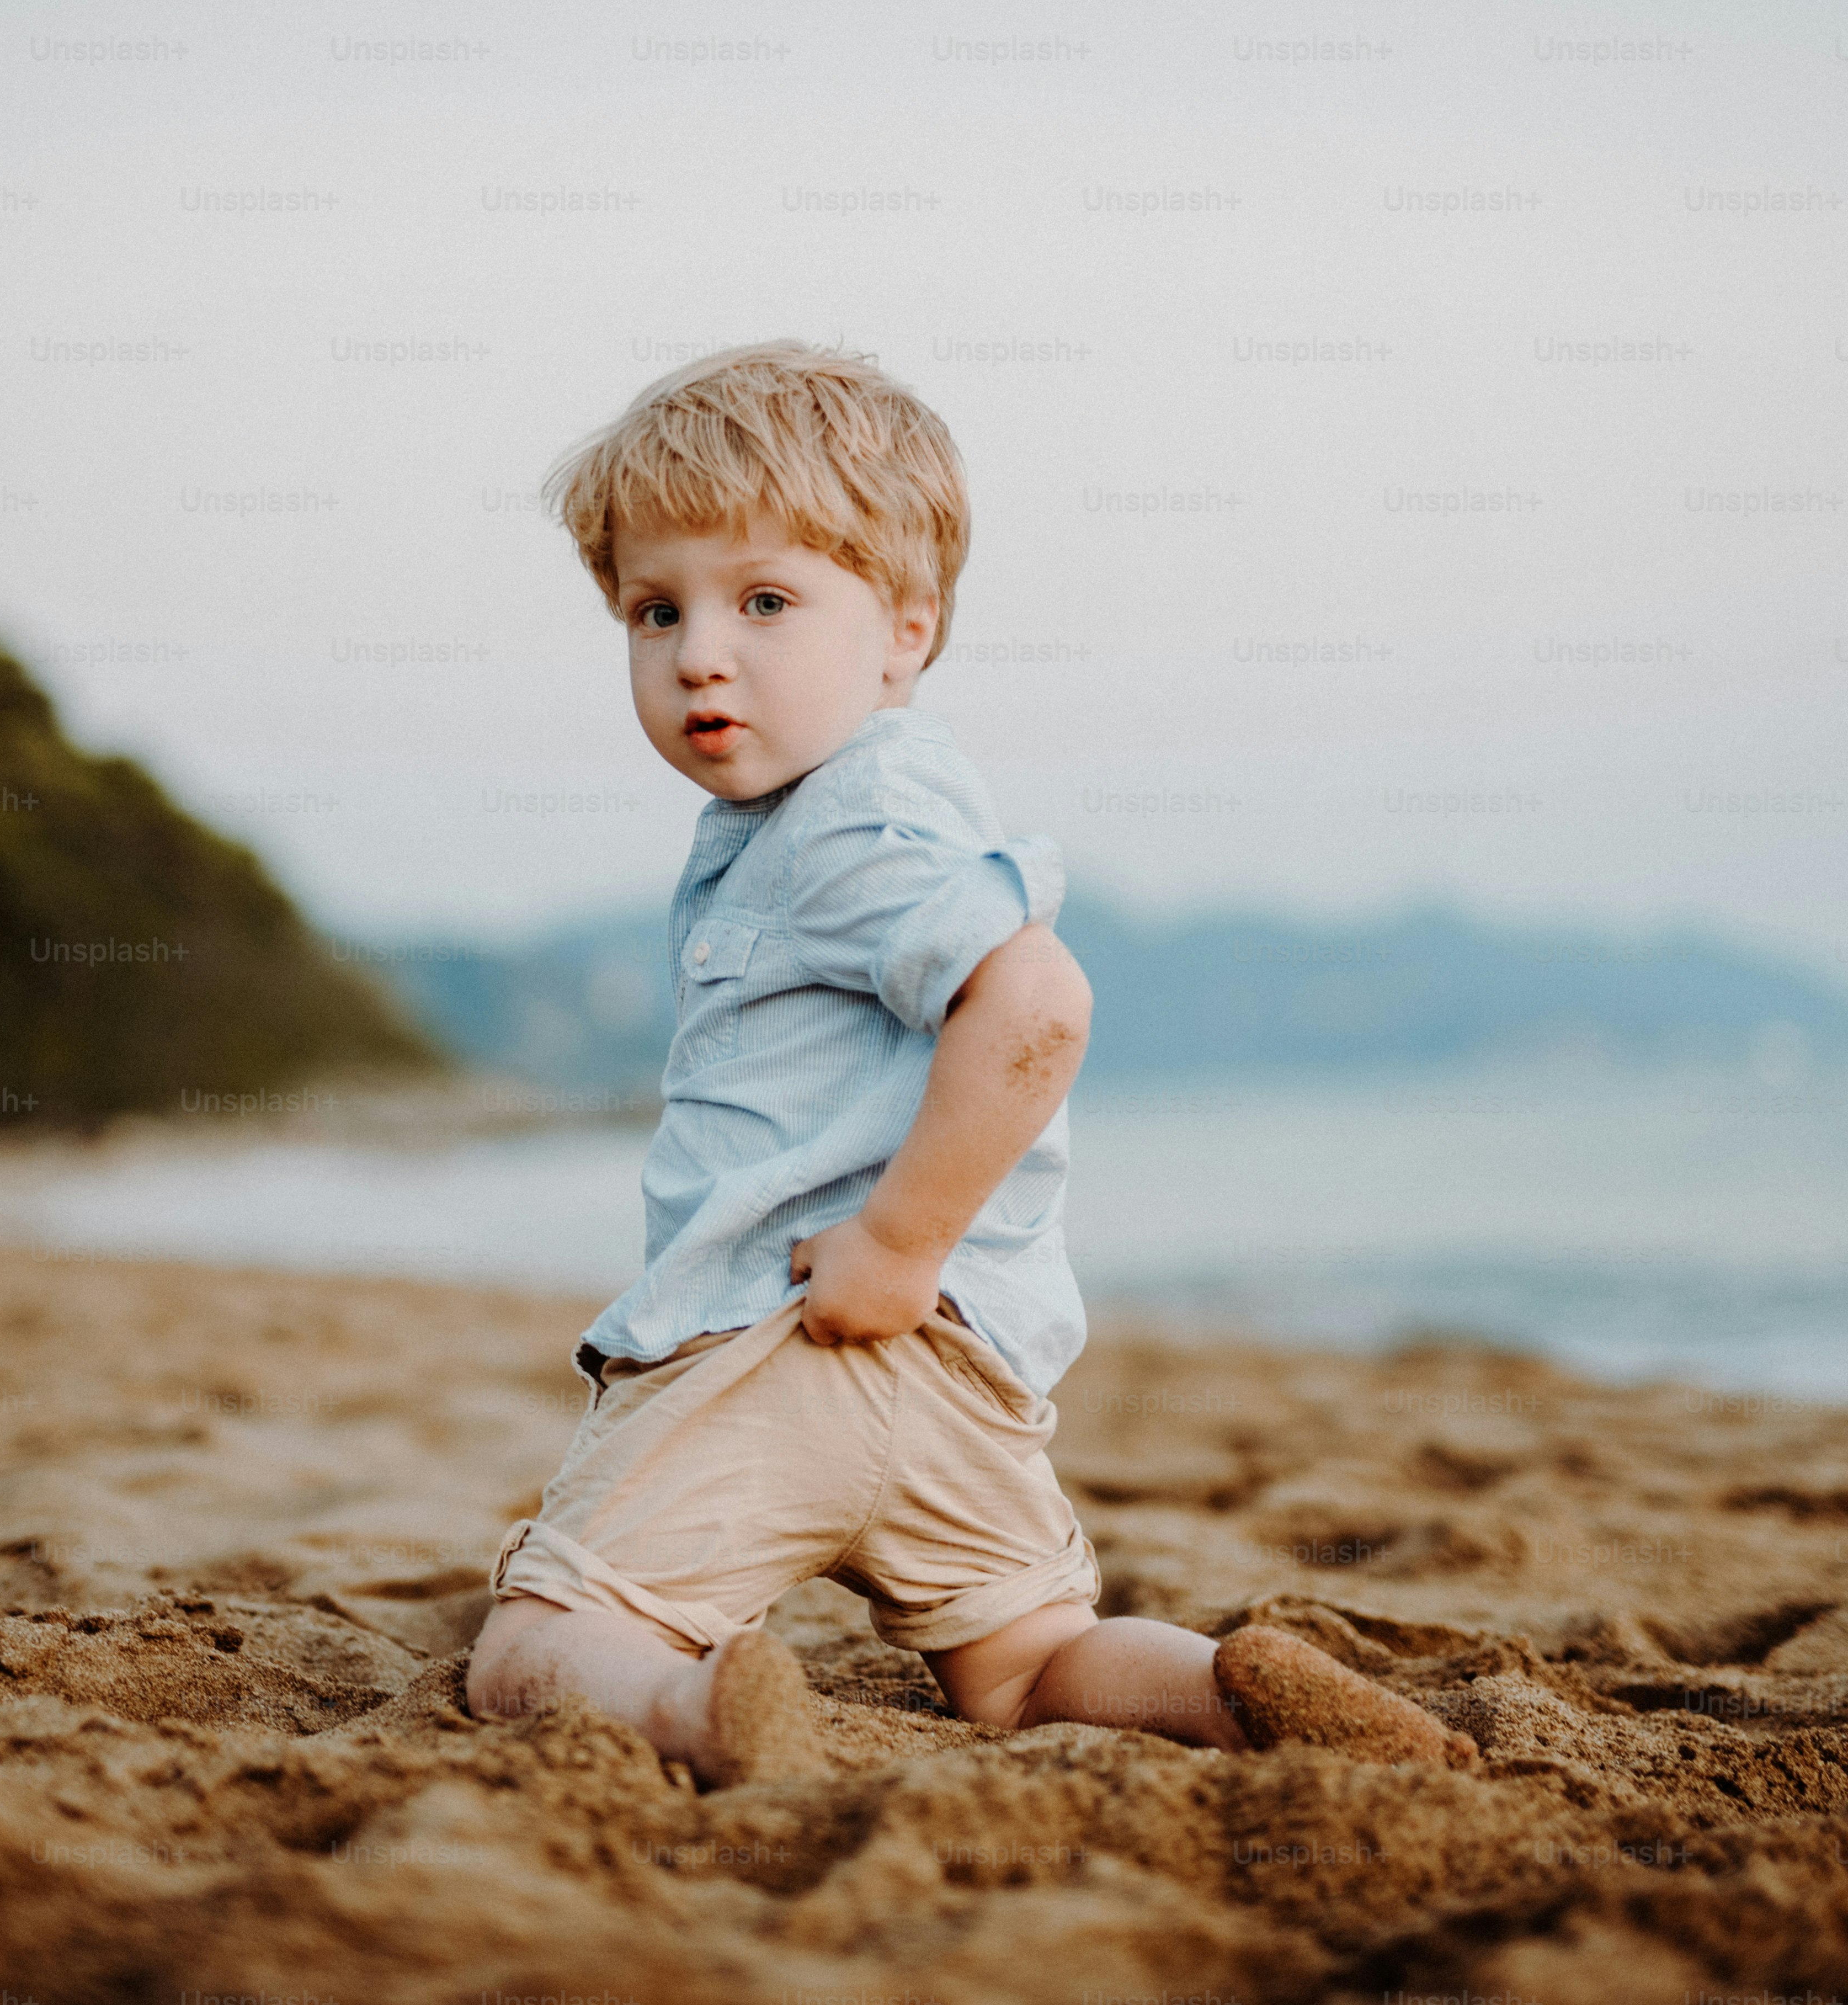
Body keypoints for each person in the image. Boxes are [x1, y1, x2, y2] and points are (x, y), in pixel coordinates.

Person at [465, 344, 1477, 1785]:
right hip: (961, 1377)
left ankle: (696, 1716)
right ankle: (1223, 1689)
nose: (700, 650)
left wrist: (896, 1238)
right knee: (1026, 1664)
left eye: (764, 601)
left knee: (529, 1649)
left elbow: (1037, 1001)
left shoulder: (857, 813)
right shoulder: (821, 816)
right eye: (655, 608)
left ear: (905, 630)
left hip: (785, 1339)